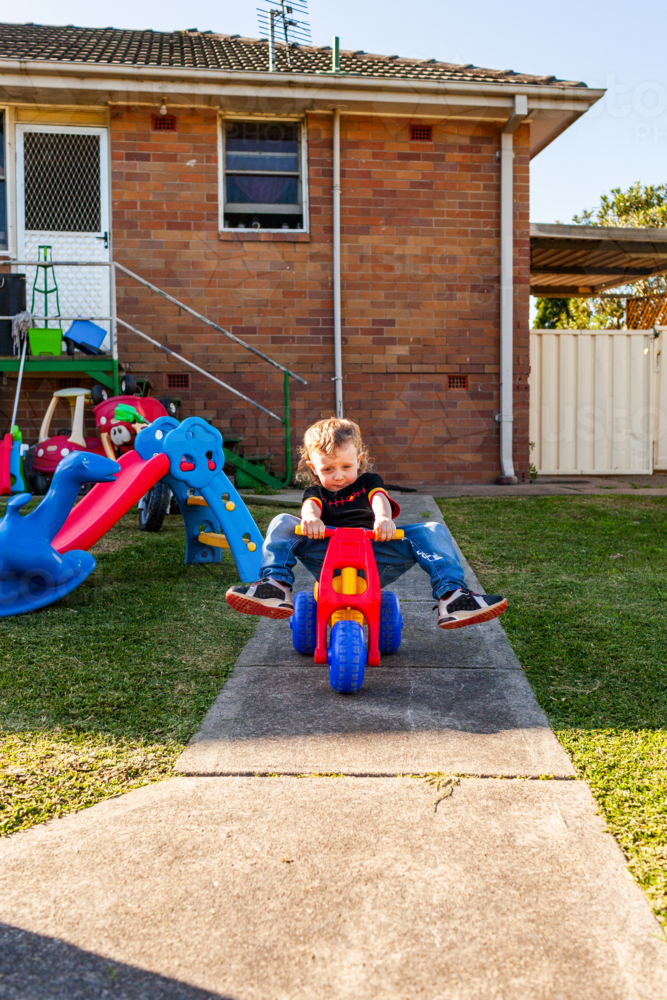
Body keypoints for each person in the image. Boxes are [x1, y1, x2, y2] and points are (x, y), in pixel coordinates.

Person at [226, 417, 506, 629]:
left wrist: (383, 519)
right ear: (313, 468)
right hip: (326, 557)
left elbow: (378, 500)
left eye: (346, 467)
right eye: (328, 469)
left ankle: (452, 595)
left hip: (375, 554)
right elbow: (310, 507)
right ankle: (275, 584)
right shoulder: (317, 493)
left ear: (358, 461)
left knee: (431, 530)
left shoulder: (368, 482)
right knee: (283, 522)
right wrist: (310, 519)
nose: (338, 476)